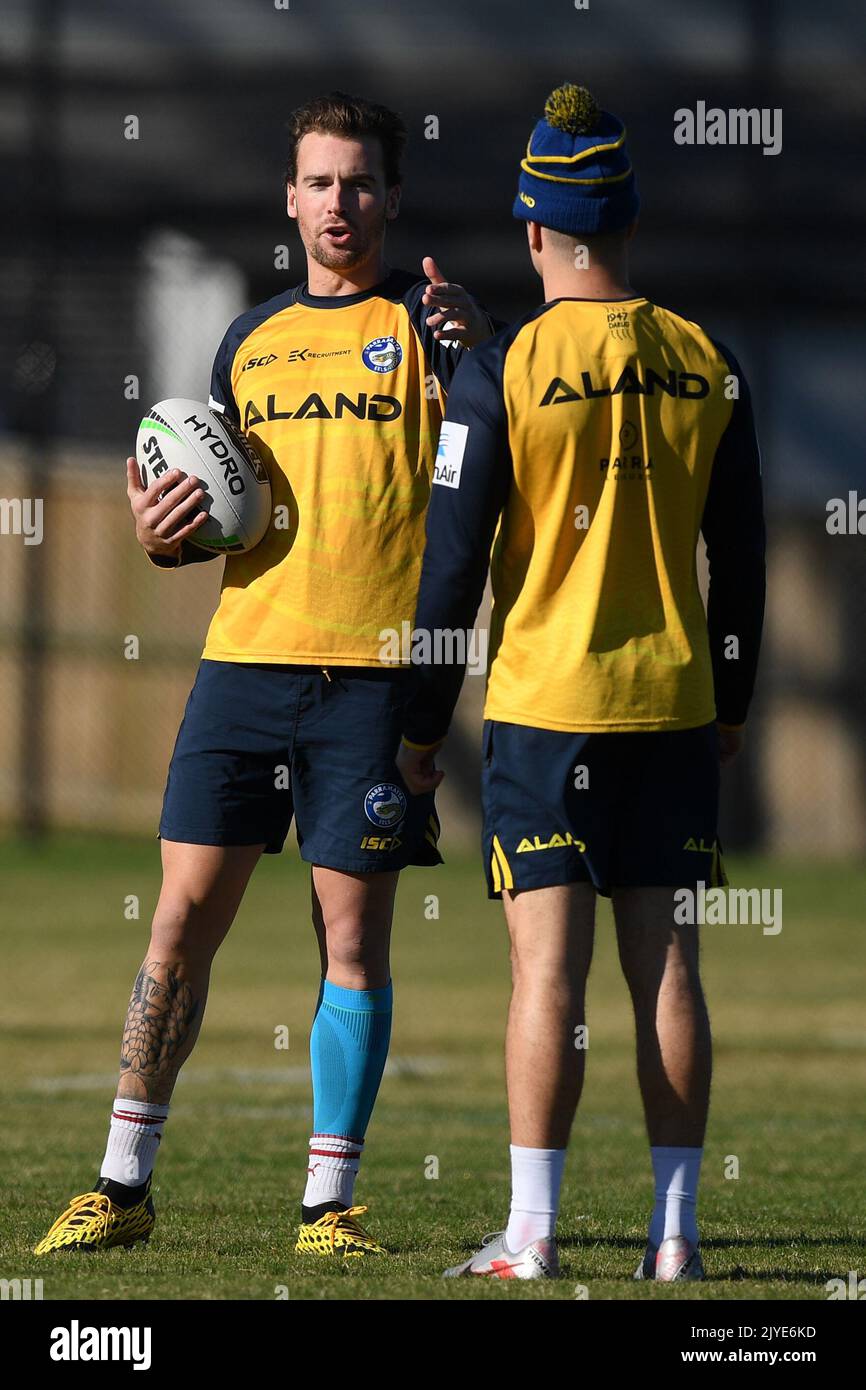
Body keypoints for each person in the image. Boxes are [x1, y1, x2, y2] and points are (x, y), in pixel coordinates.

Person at [34, 91, 499, 1261]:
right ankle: (122, 1183)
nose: (337, 203)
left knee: (351, 943)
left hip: (368, 681)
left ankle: (326, 1207)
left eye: (358, 183)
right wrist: (157, 530)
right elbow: (214, 519)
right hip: (240, 667)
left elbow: (480, 474)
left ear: (391, 198)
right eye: (317, 182)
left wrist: (478, 347)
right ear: (287, 199)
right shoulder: (247, 339)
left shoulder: (426, 329)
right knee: (178, 922)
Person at [397, 82, 766, 1281]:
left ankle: (534, 1233)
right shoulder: (705, 362)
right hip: (669, 708)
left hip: (547, 716)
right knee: (667, 970)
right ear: (627, 226)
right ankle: (674, 1240)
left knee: (544, 976)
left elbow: (449, 571)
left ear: (530, 230)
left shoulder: (500, 370)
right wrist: (734, 699)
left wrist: (415, 732)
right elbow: (744, 557)